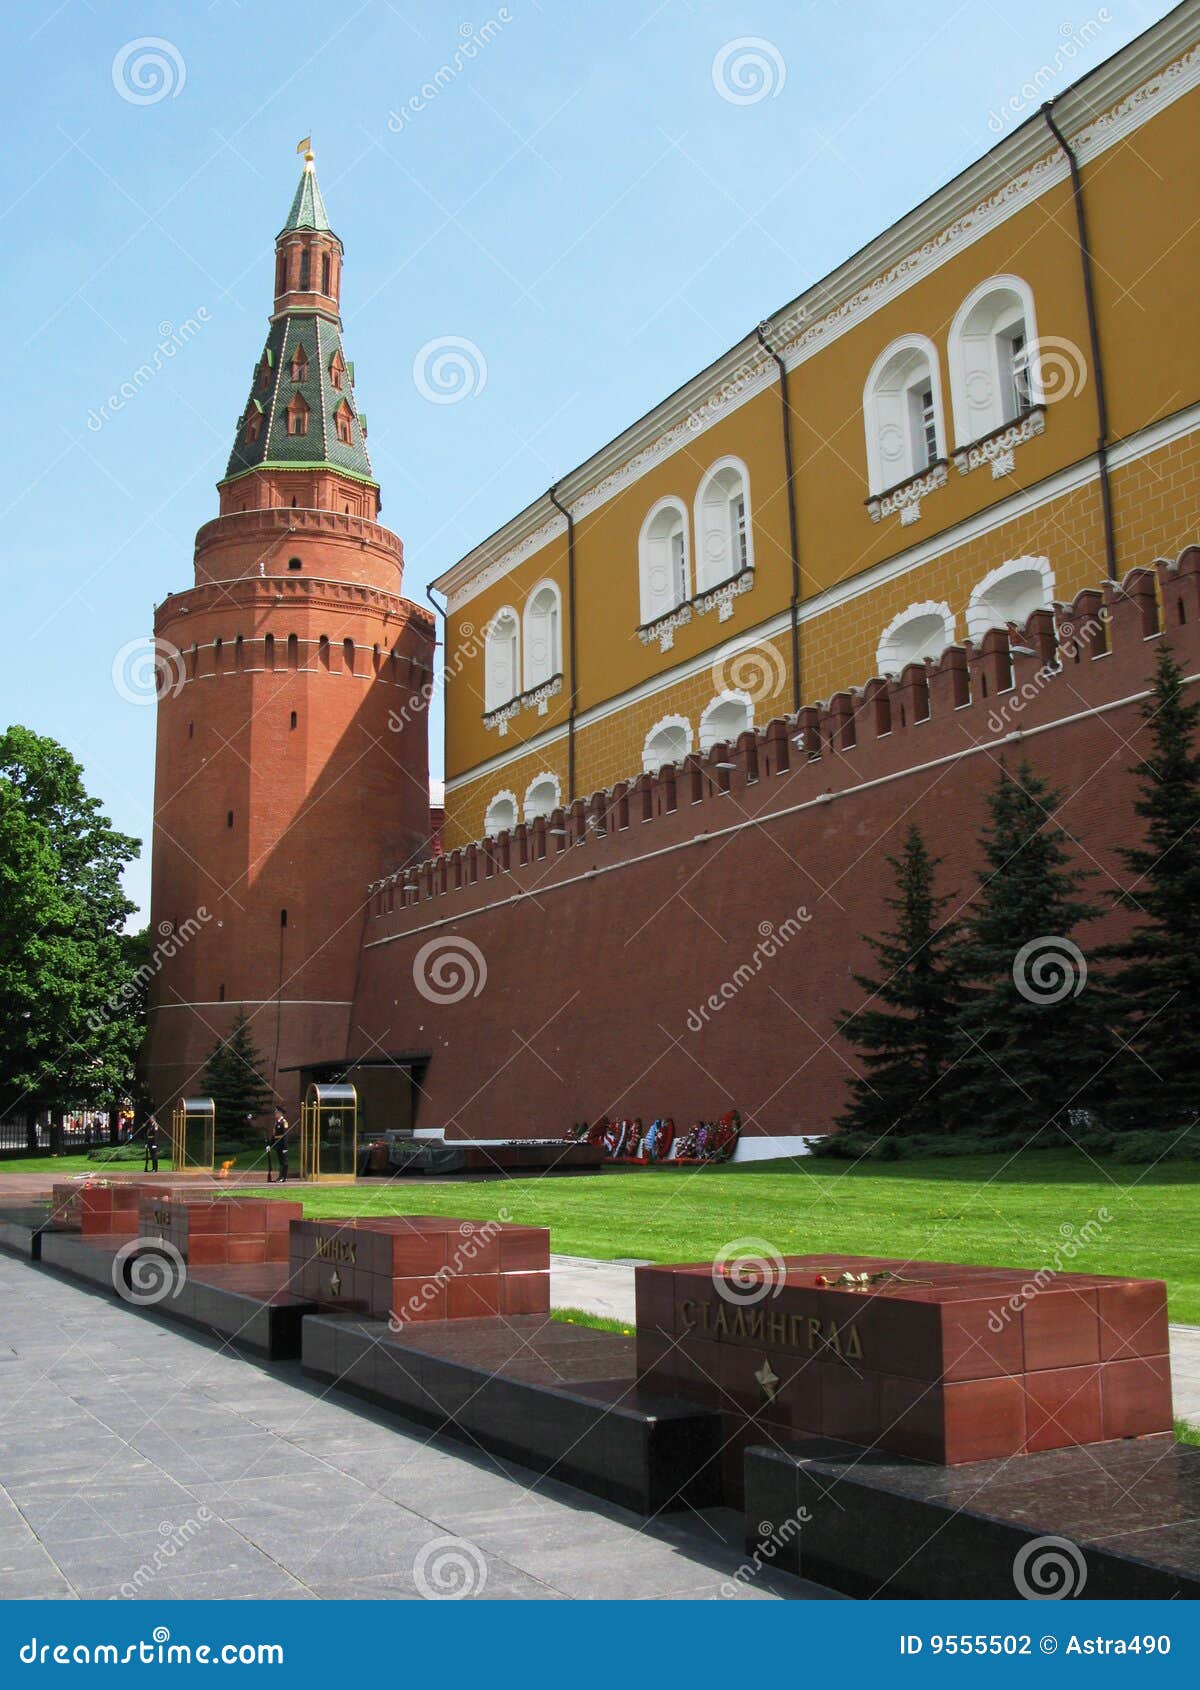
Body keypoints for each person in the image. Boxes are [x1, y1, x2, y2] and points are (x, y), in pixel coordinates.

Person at [267, 1111, 290, 1184]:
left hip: (283, 1145)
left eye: (276, 1113)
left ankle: (284, 1177)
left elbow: (285, 1136)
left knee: (284, 1161)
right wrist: (269, 1145)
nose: (275, 1114)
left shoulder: (284, 1122)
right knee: (281, 1161)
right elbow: (274, 1136)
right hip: (278, 1145)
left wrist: (285, 1148)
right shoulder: (276, 1123)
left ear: (280, 1114)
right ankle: (280, 1176)